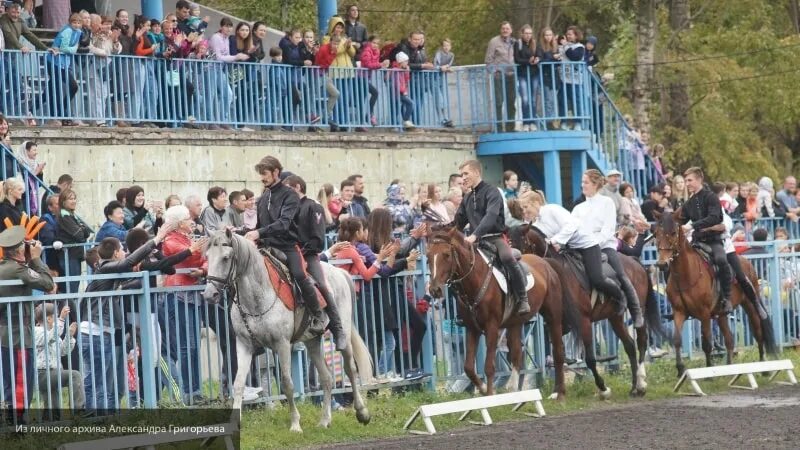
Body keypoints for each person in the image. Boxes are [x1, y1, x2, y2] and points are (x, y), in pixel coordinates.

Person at [244, 156, 327, 333]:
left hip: (287, 247)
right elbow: (258, 226)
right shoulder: (264, 197)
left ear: (276, 172)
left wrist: (258, 232)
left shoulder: (290, 195)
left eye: (265, 174)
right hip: (265, 247)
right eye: (260, 174)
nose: (262, 178)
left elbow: (284, 223)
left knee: (299, 275)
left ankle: (318, 315)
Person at [520, 190, 626, 309]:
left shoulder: (551, 209)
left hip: (587, 245)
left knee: (597, 278)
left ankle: (619, 295)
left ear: (535, 203)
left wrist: (556, 240)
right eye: (522, 208)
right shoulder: (537, 222)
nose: (524, 211)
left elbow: (571, 225)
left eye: (525, 206)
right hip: (569, 248)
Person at [454, 160, 530, 314]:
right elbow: (457, 223)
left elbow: (491, 216)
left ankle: (523, 298)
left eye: (466, 174)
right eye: (461, 175)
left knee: (507, 258)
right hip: (477, 243)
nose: (463, 178)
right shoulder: (467, 198)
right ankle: (463, 310)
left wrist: (475, 234)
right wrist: (438, 229)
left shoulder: (492, 192)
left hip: (495, 238)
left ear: (477, 172)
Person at [283, 175, 347, 350]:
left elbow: (317, 239)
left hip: (307, 255)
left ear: (297, 187)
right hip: (287, 253)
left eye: (287, 188)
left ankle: (337, 327)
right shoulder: (286, 209)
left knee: (321, 285)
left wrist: (302, 252)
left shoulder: (313, 207)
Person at [572, 170, 643, 326]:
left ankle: (635, 310)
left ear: (596, 184)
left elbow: (608, 230)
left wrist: (591, 243)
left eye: (586, 182)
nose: (582, 185)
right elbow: (572, 228)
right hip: (580, 248)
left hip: (604, 246)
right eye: (582, 182)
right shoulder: (578, 208)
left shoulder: (606, 202)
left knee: (621, 274)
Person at [0, 226, 56, 417]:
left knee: (12, 381)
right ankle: (18, 425)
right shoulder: (17, 270)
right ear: (18, 250)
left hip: (8, 333)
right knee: (22, 381)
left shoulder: (5, 267)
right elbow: (48, 284)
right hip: (19, 335)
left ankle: (13, 420)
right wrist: (36, 258)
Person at [678, 167, 732, 313]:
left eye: (690, 180)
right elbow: (679, 218)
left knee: (721, 260)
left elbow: (715, 217)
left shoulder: (711, 197)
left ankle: (727, 298)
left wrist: (692, 225)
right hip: (697, 241)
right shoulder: (689, 202)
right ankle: (678, 300)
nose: (687, 183)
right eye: (686, 181)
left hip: (713, 241)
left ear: (699, 180)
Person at [34, 303, 85, 414]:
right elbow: (50, 337)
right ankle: (79, 410)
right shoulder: (37, 331)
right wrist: (62, 319)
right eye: (55, 317)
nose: (57, 319)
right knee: (74, 375)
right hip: (42, 374)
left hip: (54, 373)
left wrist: (69, 336)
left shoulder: (52, 333)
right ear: (49, 318)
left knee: (53, 410)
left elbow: (63, 351)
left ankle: (49, 423)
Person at [485, 22, 516, 132]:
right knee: (499, 102)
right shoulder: (494, 42)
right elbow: (488, 60)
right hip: (499, 75)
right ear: (500, 30)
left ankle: (510, 128)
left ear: (511, 30)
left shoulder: (514, 42)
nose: (505, 30)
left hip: (511, 75)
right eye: (503, 28)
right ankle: (499, 128)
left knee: (511, 102)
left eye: (507, 28)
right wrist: (494, 71)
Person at [514, 25, 539, 132]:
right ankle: (526, 122)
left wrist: (538, 59)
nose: (528, 35)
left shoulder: (534, 43)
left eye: (530, 33)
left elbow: (540, 54)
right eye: (526, 33)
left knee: (533, 99)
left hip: (534, 74)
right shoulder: (518, 43)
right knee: (525, 99)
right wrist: (528, 61)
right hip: (522, 74)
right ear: (522, 34)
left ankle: (533, 122)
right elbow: (517, 59)